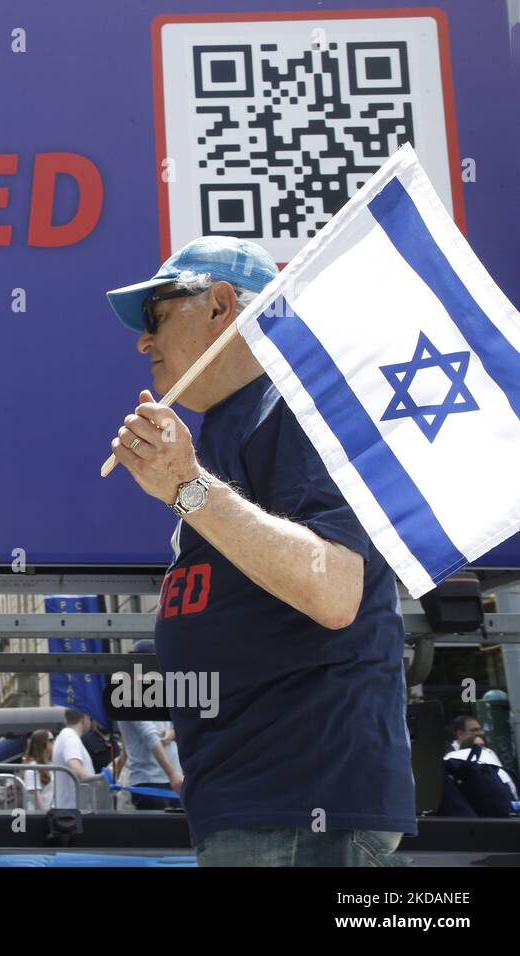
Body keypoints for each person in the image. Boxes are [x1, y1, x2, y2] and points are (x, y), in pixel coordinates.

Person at [103, 236, 415, 866]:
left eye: (157, 315)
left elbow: (334, 590)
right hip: (265, 810)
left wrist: (187, 488)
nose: (143, 340)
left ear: (220, 305)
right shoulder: (230, 430)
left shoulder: (297, 411)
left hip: (302, 814)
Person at [116, 639, 183, 810]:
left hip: (171, 779)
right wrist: (172, 773)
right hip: (152, 781)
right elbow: (149, 735)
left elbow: (175, 724)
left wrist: (173, 731)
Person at [445, 715, 517, 800]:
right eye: (474, 730)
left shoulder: (487, 751)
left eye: (480, 729)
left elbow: (502, 776)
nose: (480, 733)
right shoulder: (449, 755)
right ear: (460, 733)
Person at [51, 709, 96, 810]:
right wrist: (97, 785)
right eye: (90, 718)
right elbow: (75, 766)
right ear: (84, 719)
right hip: (75, 809)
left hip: (70, 808)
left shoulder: (66, 736)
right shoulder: (70, 737)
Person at [20, 728, 55, 812]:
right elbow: (36, 796)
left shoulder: (51, 765)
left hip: (52, 812)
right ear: (42, 743)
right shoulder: (32, 767)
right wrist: (45, 815)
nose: (54, 742)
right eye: (51, 740)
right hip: (39, 815)